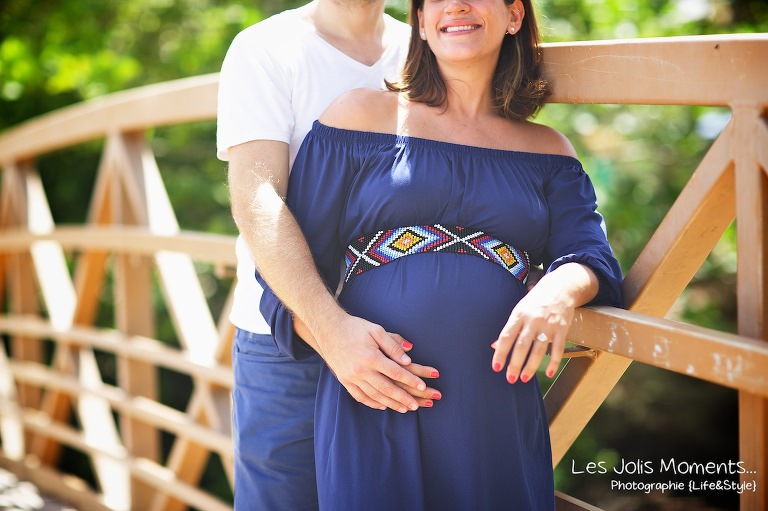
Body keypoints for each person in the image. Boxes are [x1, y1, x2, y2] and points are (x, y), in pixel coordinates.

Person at [262, 0, 624, 508]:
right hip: (376, 391)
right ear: (420, 21)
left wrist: (558, 291)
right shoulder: (358, 117)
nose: (456, 5)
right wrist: (335, 339)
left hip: (493, 403)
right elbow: (284, 270)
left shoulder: (549, 151)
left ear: (515, 15)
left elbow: (591, 255)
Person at [217, 2, 441, 509]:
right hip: (289, 342)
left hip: (405, 346)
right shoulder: (265, 48)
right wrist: (330, 329)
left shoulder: (431, 47)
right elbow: (257, 201)